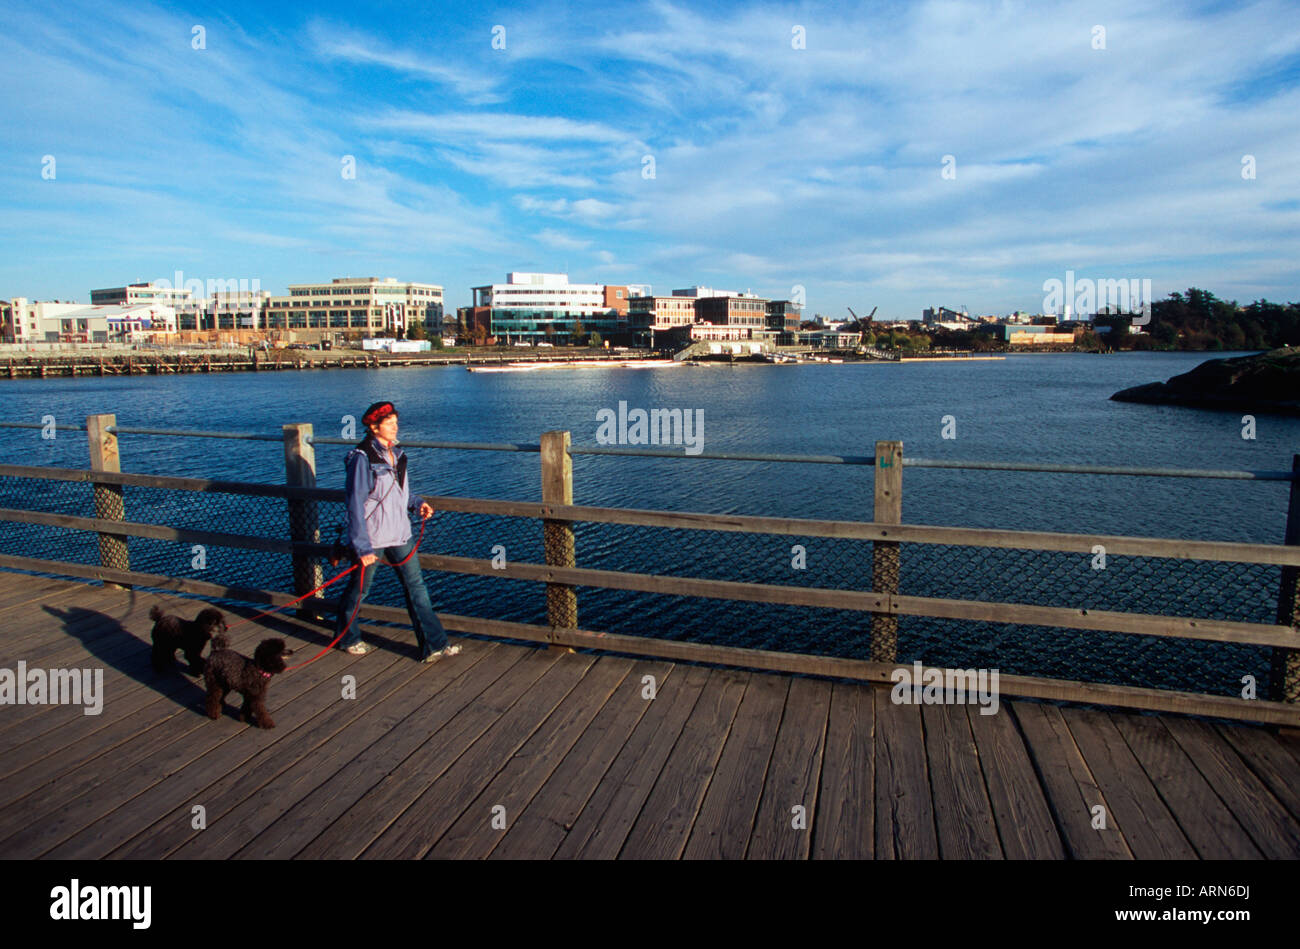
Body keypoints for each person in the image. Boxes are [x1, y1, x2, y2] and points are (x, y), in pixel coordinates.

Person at [334, 400, 462, 663]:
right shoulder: (362, 458)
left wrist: (417, 504)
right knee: (360, 590)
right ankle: (347, 637)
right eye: (389, 424)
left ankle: (434, 645)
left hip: (400, 532)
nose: (395, 427)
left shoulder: (398, 455)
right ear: (373, 427)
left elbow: (400, 492)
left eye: (395, 422)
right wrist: (362, 547)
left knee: (417, 589)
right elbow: (355, 504)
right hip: (372, 537)